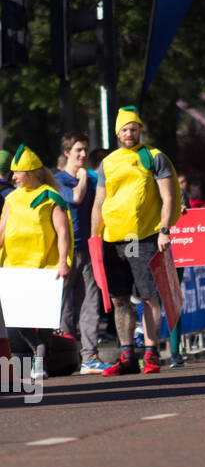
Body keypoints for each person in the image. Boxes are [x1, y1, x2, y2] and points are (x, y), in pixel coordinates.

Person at [90, 105, 181, 377]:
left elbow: (169, 196)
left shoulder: (154, 157)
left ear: (141, 129)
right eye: (124, 129)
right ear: (117, 133)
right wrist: (95, 238)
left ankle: (152, 354)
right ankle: (127, 355)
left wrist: (164, 230)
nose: (129, 133)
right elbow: (99, 202)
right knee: (119, 299)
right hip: (114, 239)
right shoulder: (109, 162)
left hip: (144, 238)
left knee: (150, 297)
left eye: (133, 128)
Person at [0, 144, 72, 381]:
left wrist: (63, 261)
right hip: (14, 267)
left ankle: (40, 358)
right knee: (17, 318)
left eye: (17, 173)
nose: (13, 177)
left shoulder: (51, 197)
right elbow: (2, 230)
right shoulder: (12, 198)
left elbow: (63, 232)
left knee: (42, 318)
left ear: (29, 172)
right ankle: (37, 351)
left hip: (44, 268)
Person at [55, 131, 106, 374]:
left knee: (90, 304)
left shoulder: (92, 179)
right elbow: (75, 199)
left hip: (89, 248)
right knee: (65, 308)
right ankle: (65, 357)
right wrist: (83, 177)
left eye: (85, 150)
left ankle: (89, 357)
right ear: (67, 153)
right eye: (78, 150)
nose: (84, 154)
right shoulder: (59, 180)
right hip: (66, 253)